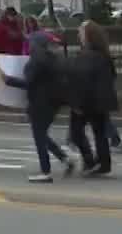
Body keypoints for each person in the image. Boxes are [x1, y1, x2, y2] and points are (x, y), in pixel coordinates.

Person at [5, 31, 76, 183]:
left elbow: (29, 83)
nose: (28, 44)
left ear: (35, 44)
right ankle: (64, 158)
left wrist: (8, 80)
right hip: (53, 103)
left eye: (30, 42)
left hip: (39, 103)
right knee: (42, 135)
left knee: (39, 137)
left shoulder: (36, 60)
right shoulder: (53, 58)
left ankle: (46, 171)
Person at [65, 22, 119, 177]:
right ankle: (103, 163)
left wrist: (77, 103)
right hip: (100, 100)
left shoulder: (87, 56)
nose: (79, 35)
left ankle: (91, 161)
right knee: (100, 133)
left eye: (81, 32)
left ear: (88, 36)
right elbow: (112, 76)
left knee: (76, 132)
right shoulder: (103, 55)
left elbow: (81, 80)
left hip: (86, 101)